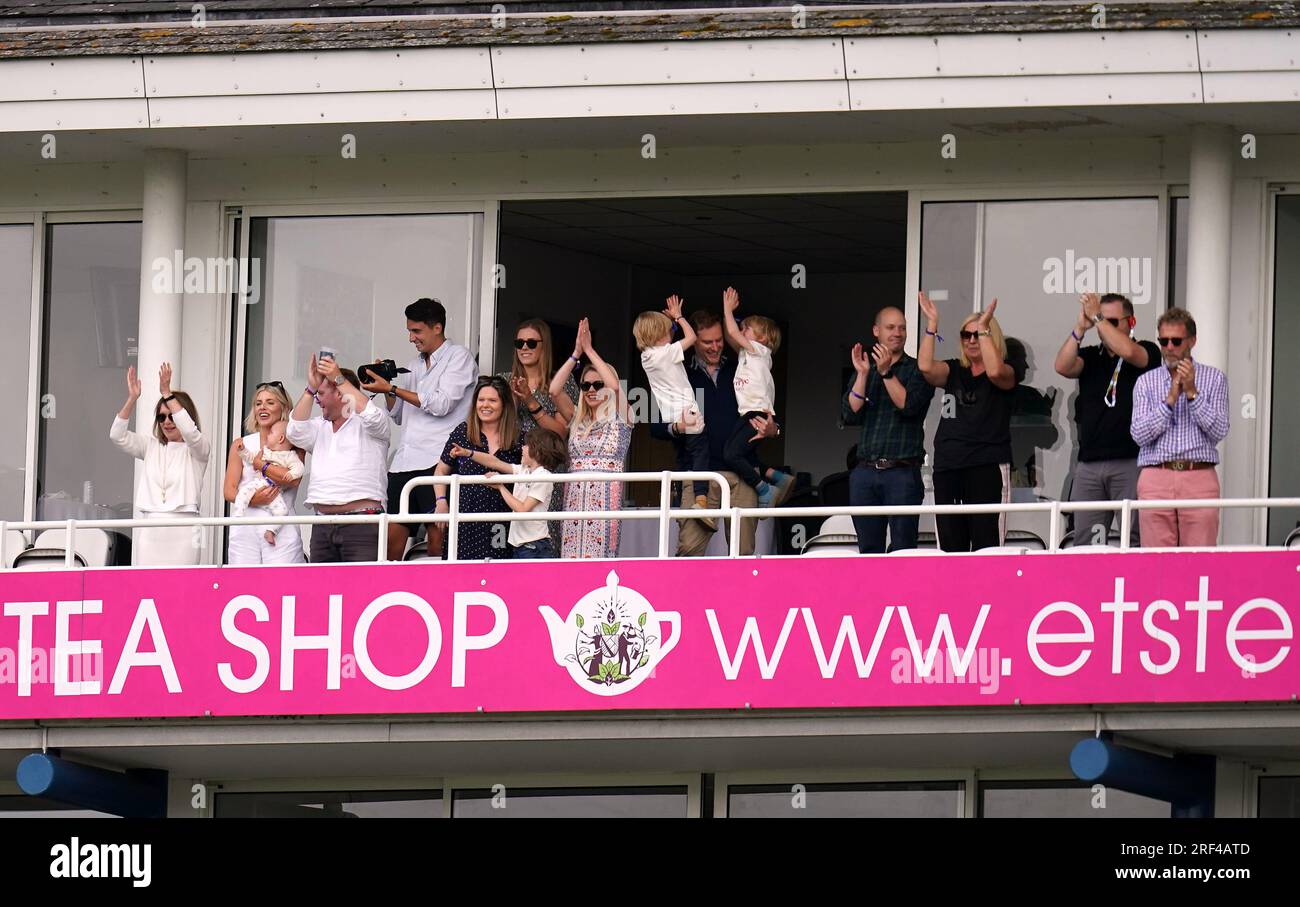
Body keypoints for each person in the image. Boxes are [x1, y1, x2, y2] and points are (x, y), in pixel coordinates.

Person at [649, 309, 782, 557]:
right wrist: (677, 427)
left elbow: (766, 411)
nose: (715, 347)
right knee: (689, 551)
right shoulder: (679, 373)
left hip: (744, 475)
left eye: (719, 340)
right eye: (707, 342)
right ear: (693, 342)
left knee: (742, 556)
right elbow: (655, 426)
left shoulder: (742, 367)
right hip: (697, 474)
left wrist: (774, 429)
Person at [361, 297, 477, 561]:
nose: (411, 338)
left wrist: (391, 388)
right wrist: (386, 387)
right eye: (409, 331)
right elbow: (399, 415)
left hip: (438, 461)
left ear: (437, 328)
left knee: (438, 545)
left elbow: (442, 403)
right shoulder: (413, 366)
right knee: (388, 546)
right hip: (403, 463)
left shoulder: (459, 357)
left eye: (416, 331)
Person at [918, 293, 1025, 552]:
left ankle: (988, 593)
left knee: (986, 545)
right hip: (948, 464)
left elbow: (997, 372)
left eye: (979, 334)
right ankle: (954, 593)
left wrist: (985, 328)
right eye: (967, 335)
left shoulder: (1008, 366)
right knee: (950, 545)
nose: (972, 340)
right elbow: (925, 367)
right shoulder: (955, 369)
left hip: (986, 464)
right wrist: (932, 325)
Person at [1054, 292, 1161, 546]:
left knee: (1135, 540)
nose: (1104, 325)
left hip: (1132, 460)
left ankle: (1135, 586)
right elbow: (1062, 366)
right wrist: (1081, 327)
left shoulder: (1146, 350)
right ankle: (1090, 587)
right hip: (1090, 463)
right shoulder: (1091, 356)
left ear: (1131, 321)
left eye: (1113, 321)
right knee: (1087, 541)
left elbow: (1127, 350)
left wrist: (1098, 316)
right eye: (1101, 320)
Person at [1130, 307, 1229, 548]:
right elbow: (1139, 435)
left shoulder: (1214, 378)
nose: (1169, 347)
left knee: (1199, 558)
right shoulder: (1146, 381)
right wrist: (1170, 400)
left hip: (1199, 474)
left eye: (1176, 340)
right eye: (1163, 341)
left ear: (1192, 341)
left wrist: (1193, 393)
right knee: (1156, 562)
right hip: (1156, 475)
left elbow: (1219, 431)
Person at [842, 305, 935, 553]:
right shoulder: (866, 368)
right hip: (864, 471)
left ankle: (903, 594)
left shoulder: (918, 369)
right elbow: (851, 413)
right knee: (868, 549)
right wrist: (862, 374)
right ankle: (872, 594)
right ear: (876, 331)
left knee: (904, 549)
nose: (898, 332)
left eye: (902, 328)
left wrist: (886, 372)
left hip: (902, 472)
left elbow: (908, 406)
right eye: (891, 327)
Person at [288, 355, 392, 562]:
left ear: (339, 393)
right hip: (322, 525)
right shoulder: (319, 426)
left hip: (363, 522)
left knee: (363, 591)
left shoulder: (369, 424)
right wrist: (310, 388)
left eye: (321, 394)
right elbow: (294, 431)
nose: (317, 400)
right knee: (323, 591)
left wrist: (338, 378)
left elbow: (373, 416)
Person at [109, 363, 211, 566]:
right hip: (151, 528)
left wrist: (167, 394)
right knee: (149, 585)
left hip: (185, 528)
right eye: (161, 417)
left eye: (172, 415)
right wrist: (132, 399)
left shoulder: (198, 449)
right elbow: (116, 435)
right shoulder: (150, 446)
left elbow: (190, 432)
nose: (167, 421)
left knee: (182, 588)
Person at [551, 318, 632, 558]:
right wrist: (576, 354)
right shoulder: (576, 419)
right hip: (575, 502)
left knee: (601, 563)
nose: (592, 390)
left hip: (605, 503)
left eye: (598, 384)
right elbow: (554, 390)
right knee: (571, 562)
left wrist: (590, 351)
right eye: (586, 386)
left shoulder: (622, 418)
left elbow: (615, 387)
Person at [499, 318, 578, 551]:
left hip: (547, 467)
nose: (524, 347)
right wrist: (513, 399)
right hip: (513, 463)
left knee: (544, 534)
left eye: (532, 343)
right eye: (519, 342)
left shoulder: (560, 382)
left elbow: (561, 434)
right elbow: (495, 424)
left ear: (544, 346)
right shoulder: (504, 380)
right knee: (512, 536)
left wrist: (530, 401)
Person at [636, 294, 711, 523]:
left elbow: (671, 342)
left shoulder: (647, 357)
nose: (672, 333)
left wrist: (670, 325)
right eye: (668, 330)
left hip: (670, 416)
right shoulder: (668, 353)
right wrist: (678, 317)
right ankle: (700, 500)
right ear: (659, 335)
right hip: (687, 412)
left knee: (682, 458)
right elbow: (692, 337)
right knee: (700, 453)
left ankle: (681, 503)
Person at [433, 376, 523, 560]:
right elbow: (441, 470)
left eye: (492, 400)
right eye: (481, 400)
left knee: (499, 577)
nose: (485, 405)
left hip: (502, 520)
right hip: (465, 519)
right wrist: (441, 501)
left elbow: (528, 474)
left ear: (504, 404)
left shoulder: (518, 438)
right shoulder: (462, 432)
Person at [720, 286, 793, 507]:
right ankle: (778, 477)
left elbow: (733, 333)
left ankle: (764, 489)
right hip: (749, 412)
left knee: (731, 456)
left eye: (746, 329)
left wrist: (728, 309)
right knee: (744, 455)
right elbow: (731, 335)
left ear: (761, 337)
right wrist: (728, 318)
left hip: (756, 413)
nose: (741, 332)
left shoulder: (759, 351)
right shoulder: (747, 353)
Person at [451, 426, 568, 558]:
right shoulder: (524, 470)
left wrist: (501, 487)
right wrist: (468, 453)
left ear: (538, 451)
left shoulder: (543, 476)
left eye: (527, 445)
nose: (522, 448)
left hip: (534, 545)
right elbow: (496, 463)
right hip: (522, 545)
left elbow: (523, 509)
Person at [224, 382, 306, 564]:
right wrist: (255, 499)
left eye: (270, 402)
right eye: (258, 403)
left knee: (283, 587)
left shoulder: (295, 444)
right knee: (243, 586)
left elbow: (293, 480)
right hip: (245, 527)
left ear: (283, 408)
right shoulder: (241, 444)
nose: (263, 407)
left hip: (281, 528)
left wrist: (261, 465)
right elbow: (229, 491)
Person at [230, 420, 304, 548]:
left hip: (274, 492)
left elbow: (299, 468)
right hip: (258, 483)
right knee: (243, 493)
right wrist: (243, 451)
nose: (267, 436)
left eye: (271, 433)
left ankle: (271, 531)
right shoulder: (265, 451)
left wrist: (292, 474)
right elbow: (251, 458)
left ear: (280, 438)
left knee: (282, 512)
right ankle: (239, 515)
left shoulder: (290, 456)